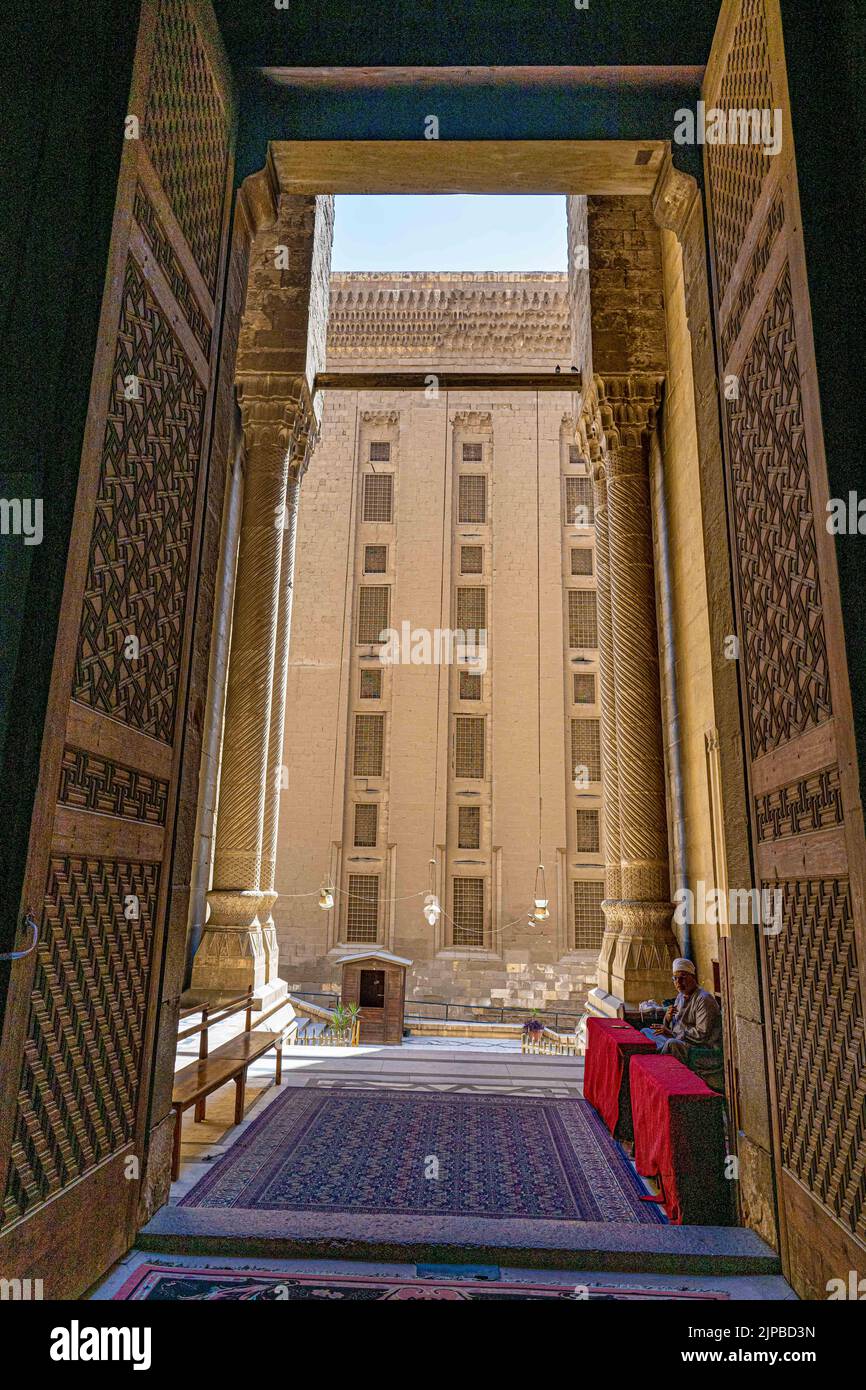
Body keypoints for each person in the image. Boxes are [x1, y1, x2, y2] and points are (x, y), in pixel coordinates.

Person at [641, 958, 722, 1067]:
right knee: (646, 1032)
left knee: (671, 1044)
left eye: (682, 977)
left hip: (699, 1047)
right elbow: (675, 1026)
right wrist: (667, 1018)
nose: (678, 982)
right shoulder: (681, 996)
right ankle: (655, 1059)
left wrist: (672, 1033)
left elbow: (701, 1035)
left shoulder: (704, 999)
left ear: (693, 977)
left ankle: (656, 1066)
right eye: (675, 978)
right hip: (678, 1038)